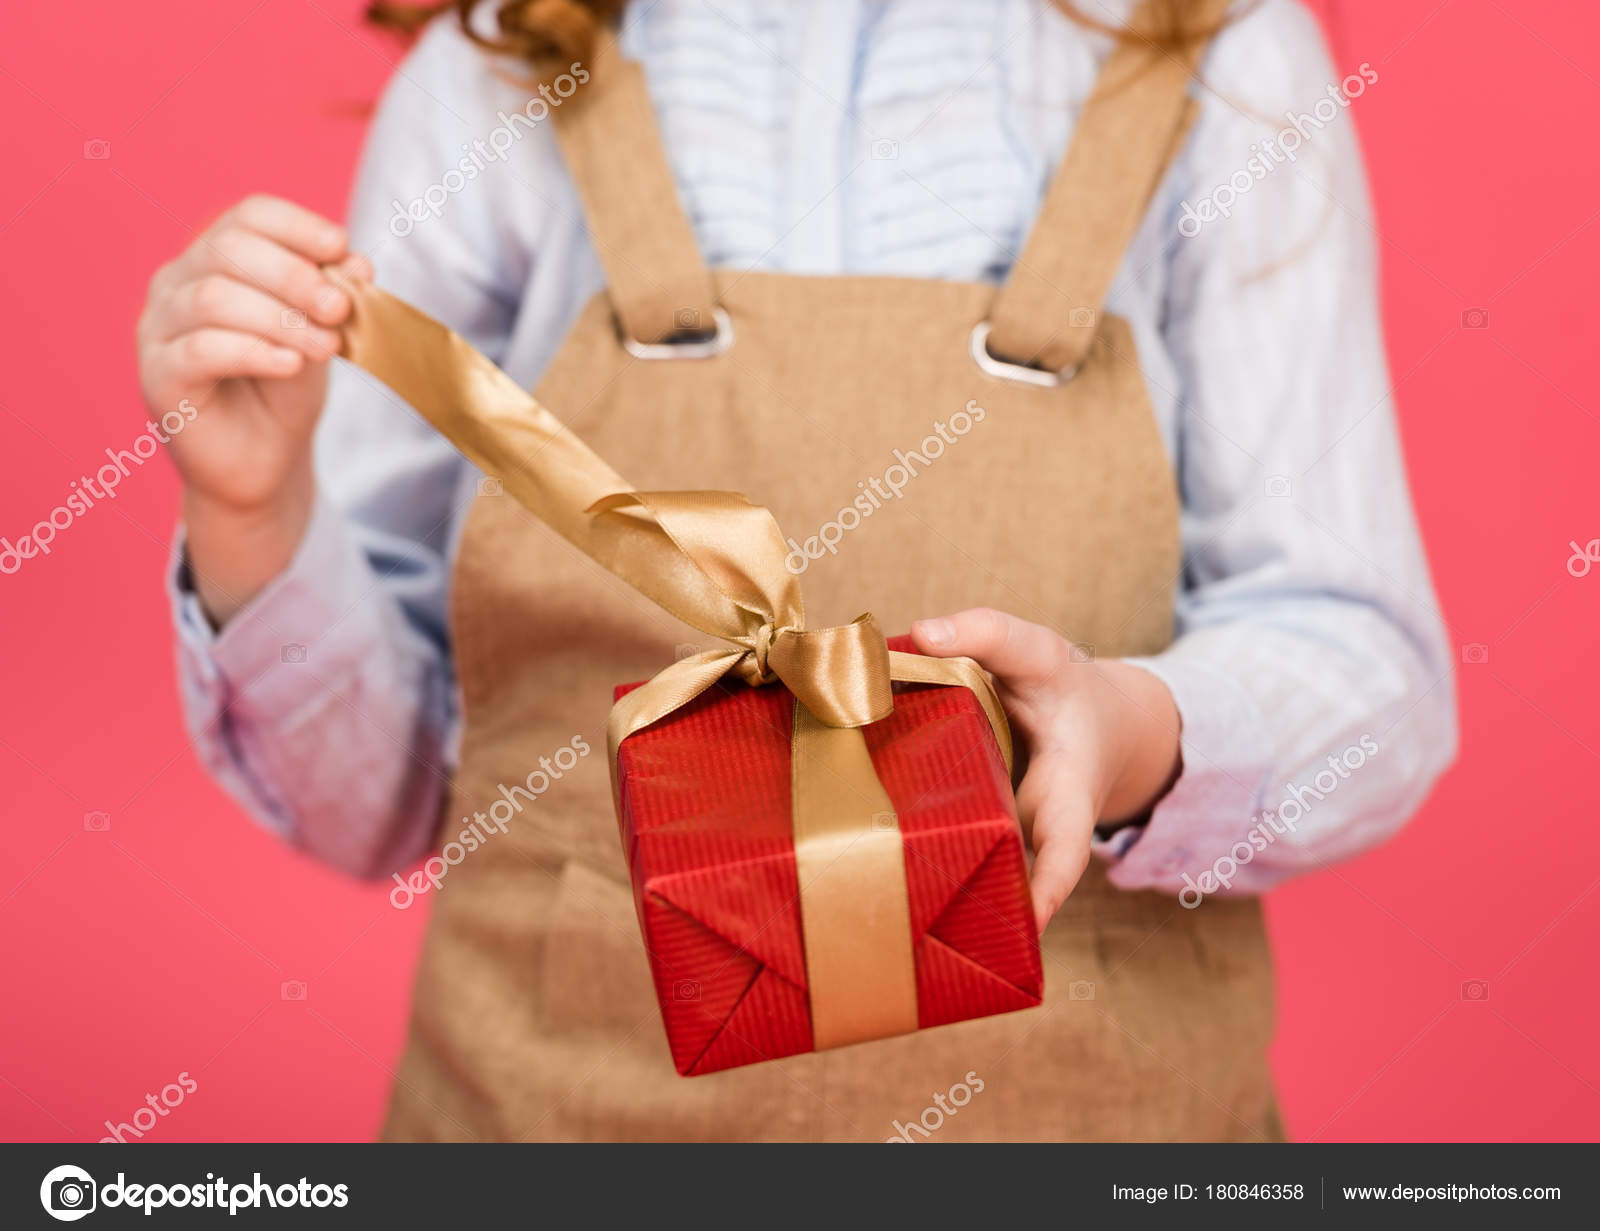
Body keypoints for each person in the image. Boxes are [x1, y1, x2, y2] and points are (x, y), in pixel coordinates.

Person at [137, 0, 1456, 1140]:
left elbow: (1363, 667)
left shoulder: (1231, 67)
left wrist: (1135, 735)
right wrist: (255, 518)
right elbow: (385, 802)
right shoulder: (493, 77)